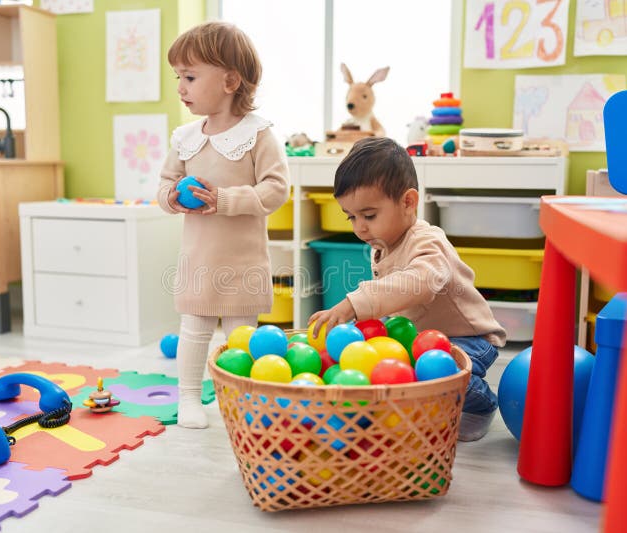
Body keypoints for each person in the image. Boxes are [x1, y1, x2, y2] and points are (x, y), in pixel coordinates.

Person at [308, 137, 506, 441]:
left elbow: (420, 282)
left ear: (408, 202)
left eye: (369, 215)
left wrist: (354, 303)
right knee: (405, 372)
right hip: (421, 338)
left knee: (445, 371)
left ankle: (483, 404)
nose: (359, 227)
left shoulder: (428, 240)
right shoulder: (383, 243)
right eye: (352, 217)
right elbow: (391, 298)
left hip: (468, 337)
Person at [157, 22, 290, 429]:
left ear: (230, 80)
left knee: (241, 339)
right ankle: (189, 398)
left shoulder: (258, 134)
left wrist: (226, 199)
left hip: (242, 261)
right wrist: (175, 196)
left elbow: (277, 189)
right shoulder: (185, 137)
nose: (181, 86)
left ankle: (242, 400)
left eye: (190, 77)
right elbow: (164, 185)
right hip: (198, 258)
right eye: (178, 76)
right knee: (193, 330)